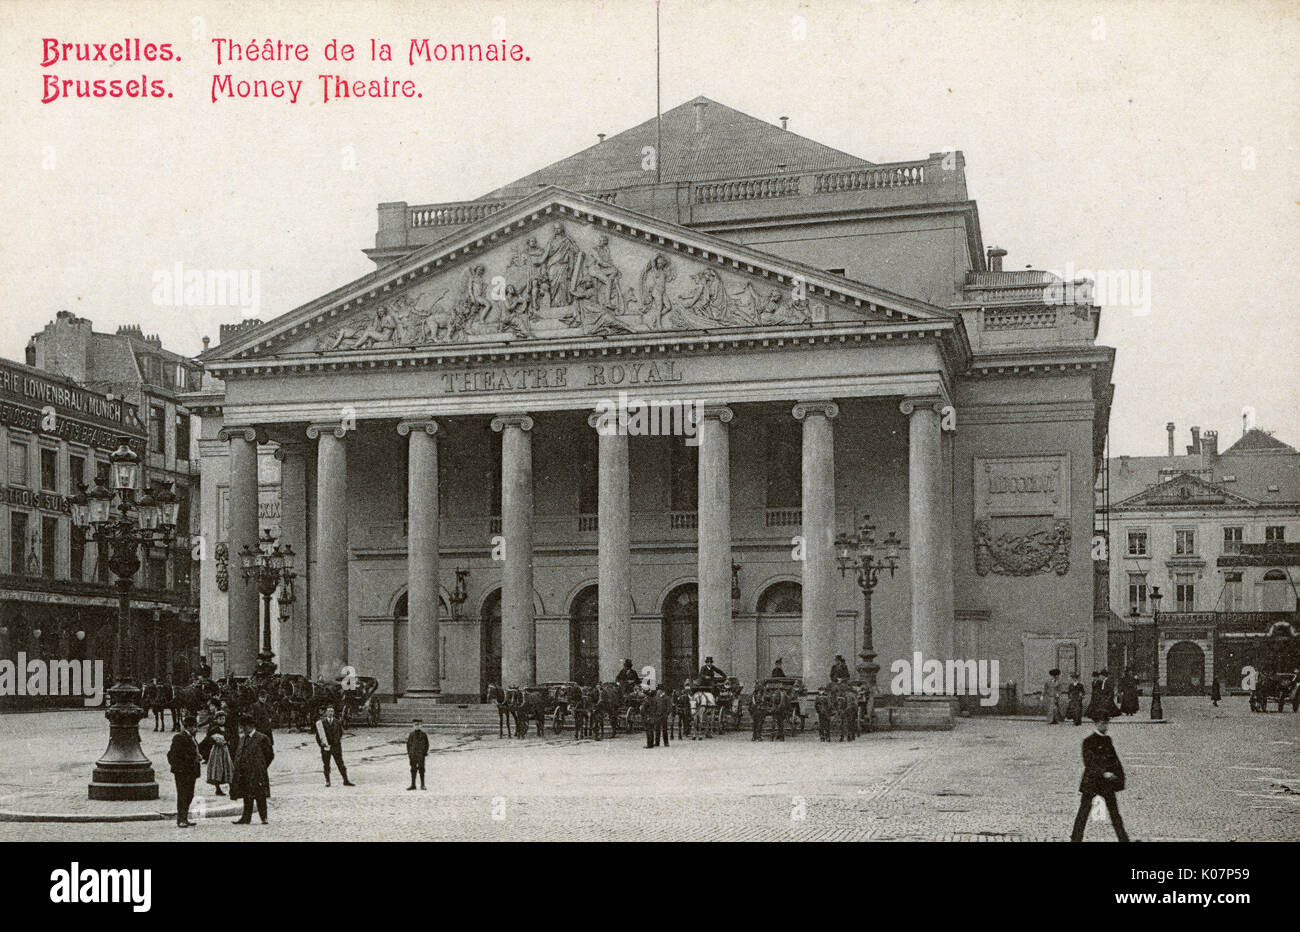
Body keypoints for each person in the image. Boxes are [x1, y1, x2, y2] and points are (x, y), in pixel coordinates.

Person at [1069, 711, 1129, 842]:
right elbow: (1089, 762)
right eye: (1103, 723)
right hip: (1092, 782)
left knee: (1114, 813)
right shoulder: (1088, 741)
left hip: (1106, 784)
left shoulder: (1107, 740)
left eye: (1106, 723)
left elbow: (1114, 760)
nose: (1105, 726)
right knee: (1083, 812)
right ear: (1096, 724)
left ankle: (1124, 839)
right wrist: (1103, 772)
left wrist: (1118, 775)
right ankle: (1075, 839)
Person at [230, 715, 274, 825]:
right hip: (244, 772)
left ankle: (264, 817)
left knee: (260, 795)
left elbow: (269, 755)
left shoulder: (262, 738)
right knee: (247, 795)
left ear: (250, 726)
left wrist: (261, 766)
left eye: (244, 727)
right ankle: (246, 817)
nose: (242, 729)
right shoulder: (242, 739)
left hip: (257, 772)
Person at [167, 714, 203, 829]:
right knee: (183, 795)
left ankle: (185, 818)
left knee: (189, 795)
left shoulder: (192, 737)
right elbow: (174, 755)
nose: (196, 729)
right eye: (195, 727)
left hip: (191, 771)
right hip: (183, 772)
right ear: (189, 727)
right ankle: (181, 819)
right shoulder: (179, 737)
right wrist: (193, 759)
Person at [315, 705, 354, 787]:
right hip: (326, 746)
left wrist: (337, 741)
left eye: (332, 711)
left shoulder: (337, 722)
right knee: (326, 764)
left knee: (340, 764)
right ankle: (328, 781)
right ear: (326, 712)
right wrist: (321, 744)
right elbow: (318, 736)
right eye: (329, 711)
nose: (330, 713)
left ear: (334, 712)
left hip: (336, 747)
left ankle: (345, 780)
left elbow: (340, 733)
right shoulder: (321, 723)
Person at [200, 710, 234, 795]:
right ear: (216, 720)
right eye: (220, 719)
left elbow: (231, 737)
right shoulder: (214, 729)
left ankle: (231, 788)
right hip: (217, 751)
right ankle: (218, 789)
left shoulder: (228, 728)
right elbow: (208, 739)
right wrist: (215, 741)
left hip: (226, 750)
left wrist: (228, 742)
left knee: (228, 768)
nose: (222, 720)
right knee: (217, 768)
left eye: (223, 718)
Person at [406, 719, 429, 790]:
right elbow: (408, 744)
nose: (417, 726)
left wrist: (424, 752)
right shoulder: (411, 734)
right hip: (413, 755)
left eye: (419, 725)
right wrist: (410, 753)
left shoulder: (424, 735)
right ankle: (413, 785)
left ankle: (422, 785)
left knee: (421, 769)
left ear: (421, 725)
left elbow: (427, 744)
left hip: (420, 755)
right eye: (415, 725)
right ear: (413, 725)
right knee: (413, 769)